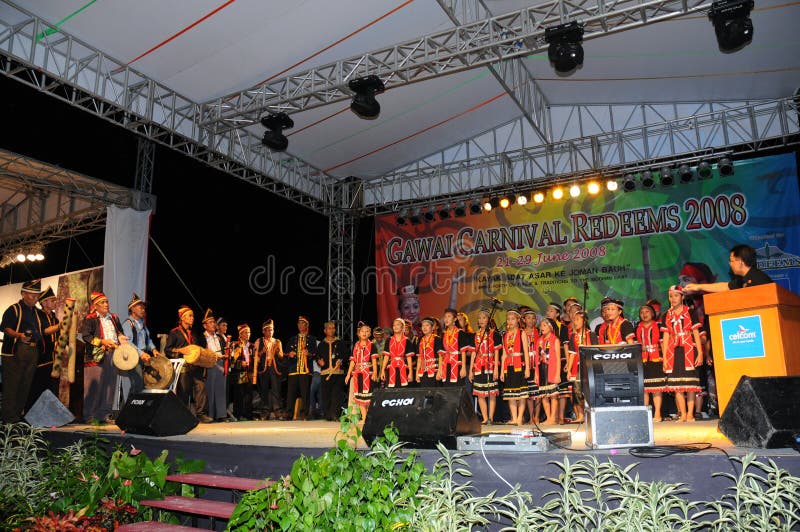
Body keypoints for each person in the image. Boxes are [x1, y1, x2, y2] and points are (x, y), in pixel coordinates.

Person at [1, 280, 58, 424]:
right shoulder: (14, 309)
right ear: (23, 294)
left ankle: (18, 415)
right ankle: (9, 418)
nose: (34, 298)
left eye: (36, 296)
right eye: (31, 295)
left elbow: (44, 331)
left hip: (33, 350)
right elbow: (5, 328)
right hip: (15, 350)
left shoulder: (38, 313)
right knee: (12, 384)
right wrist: (19, 335)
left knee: (26, 384)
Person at [80, 291, 127, 424]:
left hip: (113, 354)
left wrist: (121, 337)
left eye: (107, 302)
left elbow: (119, 332)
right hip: (96, 355)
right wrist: (102, 342)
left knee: (110, 385)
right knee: (94, 386)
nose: (106, 304)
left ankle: (104, 414)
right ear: (95, 306)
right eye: (102, 302)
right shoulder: (90, 318)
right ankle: (90, 416)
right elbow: (86, 336)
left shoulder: (114, 317)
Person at [661, 285, 704, 422]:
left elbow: (696, 333)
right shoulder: (666, 315)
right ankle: (683, 414)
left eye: (676, 295)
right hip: (673, 351)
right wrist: (664, 358)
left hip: (689, 349)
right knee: (677, 385)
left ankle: (690, 414)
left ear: (682, 297)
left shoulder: (690, 312)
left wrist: (700, 353)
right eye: (670, 296)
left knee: (690, 384)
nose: (673, 299)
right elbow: (666, 336)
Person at [165, 305, 211, 422]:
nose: (192, 318)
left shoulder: (196, 333)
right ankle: (183, 415)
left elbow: (202, 348)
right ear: (182, 318)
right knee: (184, 390)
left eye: (193, 316)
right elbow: (168, 350)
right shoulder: (174, 332)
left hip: (196, 366)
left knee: (201, 387)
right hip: (183, 367)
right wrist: (180, 350)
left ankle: (201, 414)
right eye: (190, 316)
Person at [684, 244, 772, 292]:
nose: (730, 264)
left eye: (731, 260)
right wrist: (699, 287)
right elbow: (724, 286)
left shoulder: (759, 279)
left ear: (740, 261)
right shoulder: (741, 280)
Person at [25, 286, 59, 411]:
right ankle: (31, 415)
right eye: (52, 300)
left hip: (53, 357)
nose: (55, 302)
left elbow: (58, 335)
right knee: (38, 386)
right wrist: (62, 325)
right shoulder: (38, 315)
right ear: (44, 303)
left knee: (52, 386)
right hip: (41, 356)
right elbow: (45, 331)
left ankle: (51, 414)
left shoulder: (54, 317)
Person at [121, 293, 160, 398]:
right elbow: (128, 342)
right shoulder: (128, 324)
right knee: (137, 383)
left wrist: (154, 349)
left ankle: (132, 409)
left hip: (142, 357)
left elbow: (148, 339)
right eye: (140, 307)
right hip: (133, 357)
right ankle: (130, 409)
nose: (143, 310)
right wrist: (141, 353)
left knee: (143, 383)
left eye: (144, 308)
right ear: (133, 309)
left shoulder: (142, 324)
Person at [635, 303, 666, 422]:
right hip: (642, 360)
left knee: (656, 388)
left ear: (652, 313)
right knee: (644, 388)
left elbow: (663, 343)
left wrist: (665, 359)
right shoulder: (638, 327)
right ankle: (645, 414)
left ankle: (657, 413)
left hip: (656, 358)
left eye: (647, 311)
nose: (644, 314)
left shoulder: (658, 326)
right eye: (642, 312)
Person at [469, 309, 501, 425]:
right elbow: (473, 352)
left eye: (484, 318)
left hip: (490, 364)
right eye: (479, 318)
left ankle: (491, 417)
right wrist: (471, 370)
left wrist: (497, 368)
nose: (481, 320)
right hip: (478, 365)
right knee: (480, 393)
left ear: (488, 320)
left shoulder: (494, 334)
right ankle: (485, 417)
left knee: (491, 392)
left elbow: (497, 352)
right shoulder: (476, 335)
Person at [564, 310, 596, 424]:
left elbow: (595, 351)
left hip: (588, 366)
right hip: (577, 366)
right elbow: (572, 353)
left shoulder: (591, 334)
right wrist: (569, 369)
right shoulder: (573, 336)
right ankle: (581, 415)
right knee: (577, 390)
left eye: (578, 319)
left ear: (584, 320)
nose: (575, 322)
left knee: (589, 390)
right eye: (574, 320)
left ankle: (591, 414)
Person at [499, 310, 530, 426]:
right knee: (510, 394)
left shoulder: (522, 333)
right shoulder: (505, 335)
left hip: (519, 365)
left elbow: (526, 352)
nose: (510, 321)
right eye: (508, 319)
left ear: (518, 320)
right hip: (508, 366)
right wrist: (502, 370)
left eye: (512, 319)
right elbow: (504, 354)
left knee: (522, 394)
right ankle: (514, 417)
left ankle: (520, 418)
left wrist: (527, 368)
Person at [345, 322, 379, 421]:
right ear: (358, 333)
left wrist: (375, 373)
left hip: (368, 374)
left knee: (368, 398)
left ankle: (368, 418)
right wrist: (348, 374)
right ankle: (364, 418)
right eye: (362, 331)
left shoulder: (372, 345)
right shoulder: (356, 346)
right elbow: (352, 361)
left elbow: (374, 360)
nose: (364, 333)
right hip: (358, 374)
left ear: (369, 333)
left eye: (367, 331)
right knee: (359, 398)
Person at [285, 316, 317, 421]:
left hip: (306, 371)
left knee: (305, 393)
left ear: (306, 325)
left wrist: (309, 353)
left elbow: (315, 354)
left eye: (302, 323)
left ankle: (304, 414)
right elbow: (286, 354)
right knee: (291, 393)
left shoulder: (311, 339)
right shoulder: (292, 339)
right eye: (299, 323)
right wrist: (290, 354)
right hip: (293, 370)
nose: (300, 325)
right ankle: (289, 414)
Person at [198, 309, 227, 422]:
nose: (213, 324)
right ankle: (210, 414)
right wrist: (214, 356)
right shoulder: (202, 337)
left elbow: (223, 350)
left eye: (214, 322)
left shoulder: (219, 337)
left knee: (221, 389)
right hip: (209, 364)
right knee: (210, 390)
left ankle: (221, 414)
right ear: (205, 325)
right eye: (210, 322)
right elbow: (201, 352)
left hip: (220, 364)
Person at [318, 321, 348, 421]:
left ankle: (335, 414)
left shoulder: (340, 343)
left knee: (336, 394)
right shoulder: (321, 345)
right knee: (326, 395)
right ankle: (328, 415)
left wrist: (341, 361)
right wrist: (319, 361)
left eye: (333, 328)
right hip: (325, 373)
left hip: (338, 373)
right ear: (325, 331)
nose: (332, 330)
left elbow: (346, 356)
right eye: (329, 328)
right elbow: (317, 357)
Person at [254, 320, 283, 420]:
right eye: (268, 330)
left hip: (274, 368)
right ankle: (265, 411)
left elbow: (281, 356)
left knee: (276, 389)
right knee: (264, 389)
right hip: (263, 368)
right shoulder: (259, 341)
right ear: (264, 331)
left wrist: (278, 351)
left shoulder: (277, 341)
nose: (270, 332)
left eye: (272, 330)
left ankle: (277, 410)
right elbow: (255, 357)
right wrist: (261, 352)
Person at [533, 317, 561, 425]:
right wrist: (536, 373)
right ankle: (548, 417)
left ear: (550, 327)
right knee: (544, 395)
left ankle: (553, 418)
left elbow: (558, 359)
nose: (542, 327)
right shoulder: (539, 341)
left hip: (552, 369)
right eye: (541, 325)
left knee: (553, 395)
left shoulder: (555, 340)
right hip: (541, 369)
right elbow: (536, 359)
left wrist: (558, 374)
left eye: (544, 325)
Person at [437, 308, 473, 386]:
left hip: (457, 364)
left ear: (455, 319)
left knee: (457, 388)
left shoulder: (460, 333)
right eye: (445, 317)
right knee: (447, 389)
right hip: (446, 365)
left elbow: (463, 352)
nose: (446, 319)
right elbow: (441, 354)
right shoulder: (444, 334)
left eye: (449, 316)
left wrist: (463, 368)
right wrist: (439, 370)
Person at [381, 318, 414, 388]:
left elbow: (409, 358)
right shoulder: (389, 340)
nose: (395, 327)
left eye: (398, 325)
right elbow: (386, 357)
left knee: (403, 390)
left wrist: (410, 372)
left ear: (403, 327)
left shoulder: (407, 341)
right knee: (391, 390)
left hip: (403, 368)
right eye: (394, 325)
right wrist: (383, 370)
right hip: (391, 367)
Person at [230, 324, 254, 420]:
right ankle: (238, 414)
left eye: (249, 332)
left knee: (249, 394)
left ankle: (248, 414)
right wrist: (240, 363)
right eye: (245, 332)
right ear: (240, 334)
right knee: (239, 393)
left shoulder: (251, 346)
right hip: (240, 372)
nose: (248, 334)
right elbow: (231, 360)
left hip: (249, 372)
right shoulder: (235, 345)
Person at [416, 317, 440, 387]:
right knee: (425, 394)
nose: (424, 327)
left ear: (432, 328)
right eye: (423, 325)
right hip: (423, 372)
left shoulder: (437, 339)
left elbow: (441, 356)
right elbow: (420, 358)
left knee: (435, 394)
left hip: (435, 371)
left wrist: (440, 371)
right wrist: (417, 373)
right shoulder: (420, 340)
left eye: (427, 325)